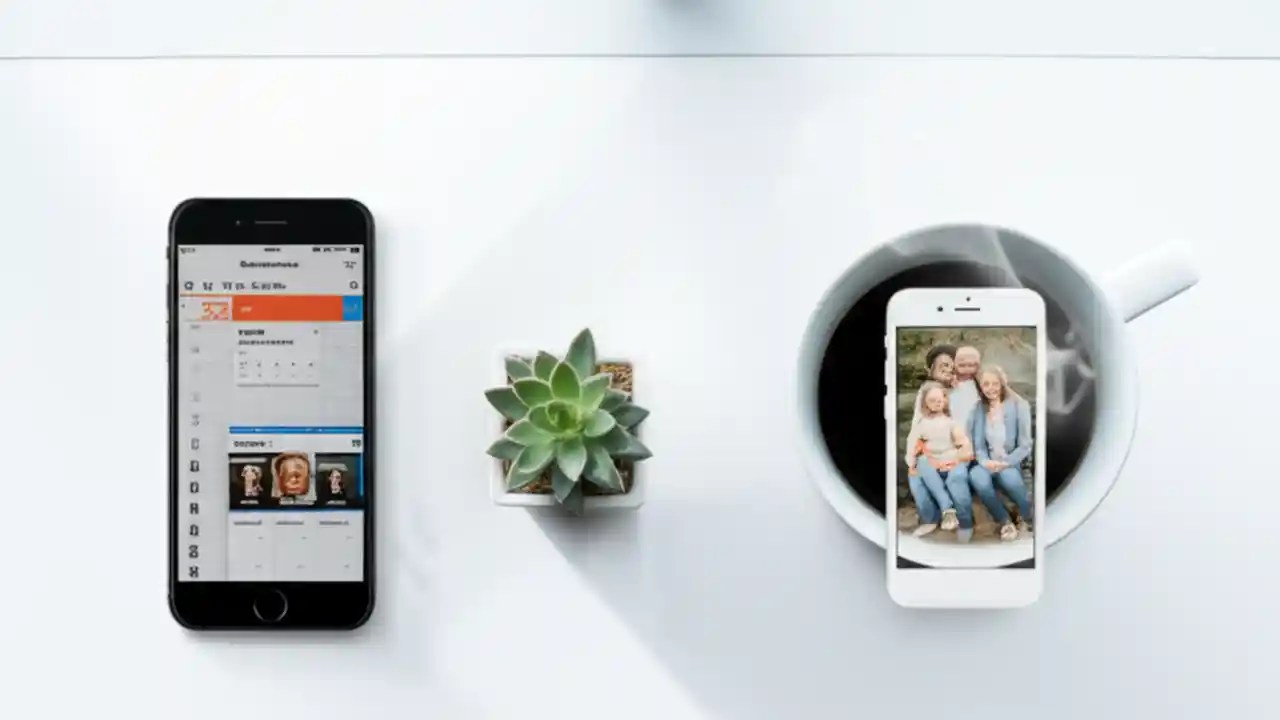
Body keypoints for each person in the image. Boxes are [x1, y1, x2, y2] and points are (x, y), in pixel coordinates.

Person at [966, 366, 1034, 541]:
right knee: (977, 478)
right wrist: (984, 461)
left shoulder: (1019, 405)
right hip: (987, 462)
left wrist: (1005, 462)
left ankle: (1025, 516)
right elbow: (978, 445)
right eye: (985, 384)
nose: (990, 388)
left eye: (995, 383)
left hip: (1009, 460)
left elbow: (1025, 445)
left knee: (1009, 479)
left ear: (1002, 383)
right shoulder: (979, 409)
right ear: (980, 387)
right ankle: (1004, 521)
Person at [905, 382, 974, 539]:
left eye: (940, 399)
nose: (937, 403)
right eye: (932, 400)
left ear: (945, 400)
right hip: (930, 464)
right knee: (918, 467)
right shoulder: (921, 424)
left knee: (952, 476)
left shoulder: (951, 423)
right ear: (925, 403)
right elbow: (911, 447)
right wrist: (912, 461)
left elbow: (965, 447)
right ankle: (937, 514)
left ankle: (962, 521)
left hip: (950, 461)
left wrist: (951, 460)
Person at [910, 344, 957, 426]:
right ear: (931, 368)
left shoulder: (949, 389)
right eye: (945, 365)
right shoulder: (931, 388)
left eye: (953, 368)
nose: (949, 370)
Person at [949, 345, 982, 430]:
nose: (966, 369)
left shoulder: (980, 384)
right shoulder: (949, 383)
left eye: (971, 365)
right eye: (962, 365)